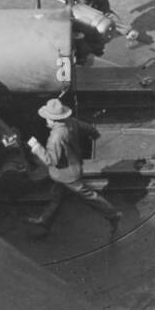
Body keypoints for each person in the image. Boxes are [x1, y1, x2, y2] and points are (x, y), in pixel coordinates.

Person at [25, 98, 122, 238]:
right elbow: (90, 129)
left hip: (66, 175)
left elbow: (51, 160)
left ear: (52, 120)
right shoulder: (71, 122)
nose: (45, 121)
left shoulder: (55, 137)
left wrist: (35, 147)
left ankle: (113, 215)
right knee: (57, 196)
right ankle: (44, 222)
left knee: (88, 196)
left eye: (46, 118)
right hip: (73, 167)